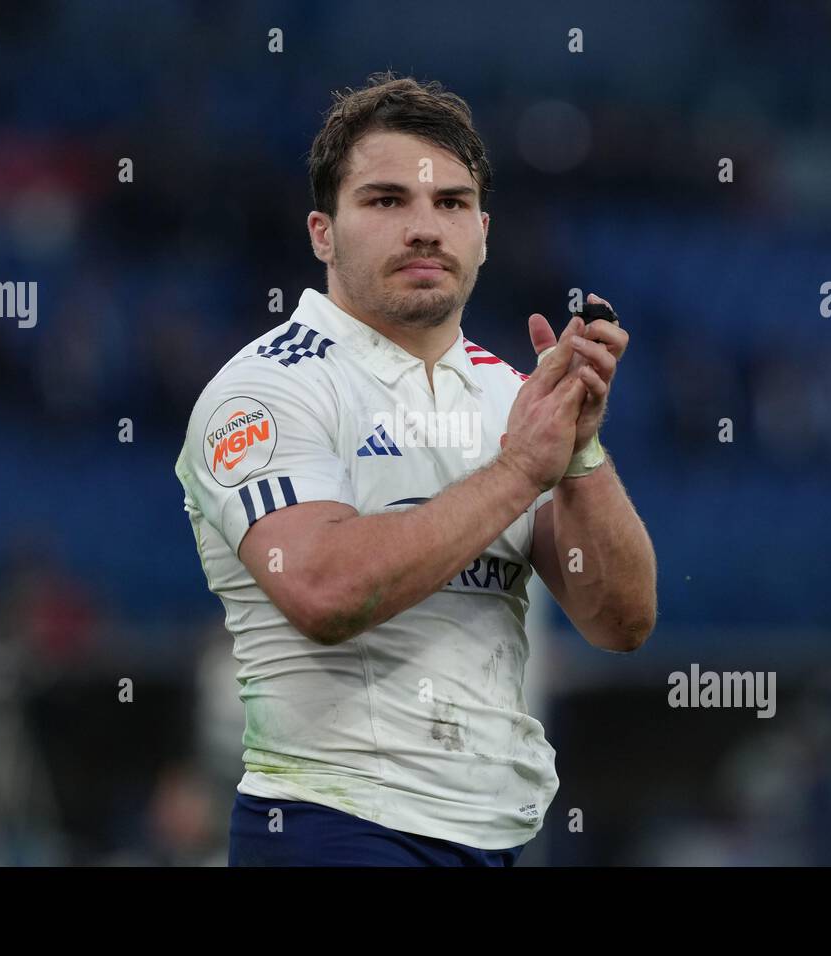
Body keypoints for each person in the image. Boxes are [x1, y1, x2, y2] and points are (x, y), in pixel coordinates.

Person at [175, 72, 656, 866]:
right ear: (322, 233)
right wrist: (520, 467)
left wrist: (579, 453)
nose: (426, 228)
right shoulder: (266, 388)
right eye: (387, 201)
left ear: (485, 232)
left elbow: (621, 622)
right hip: (332, 824)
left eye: (452, 204)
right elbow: (324, 590)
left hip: (495, 836)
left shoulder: (512, 395)